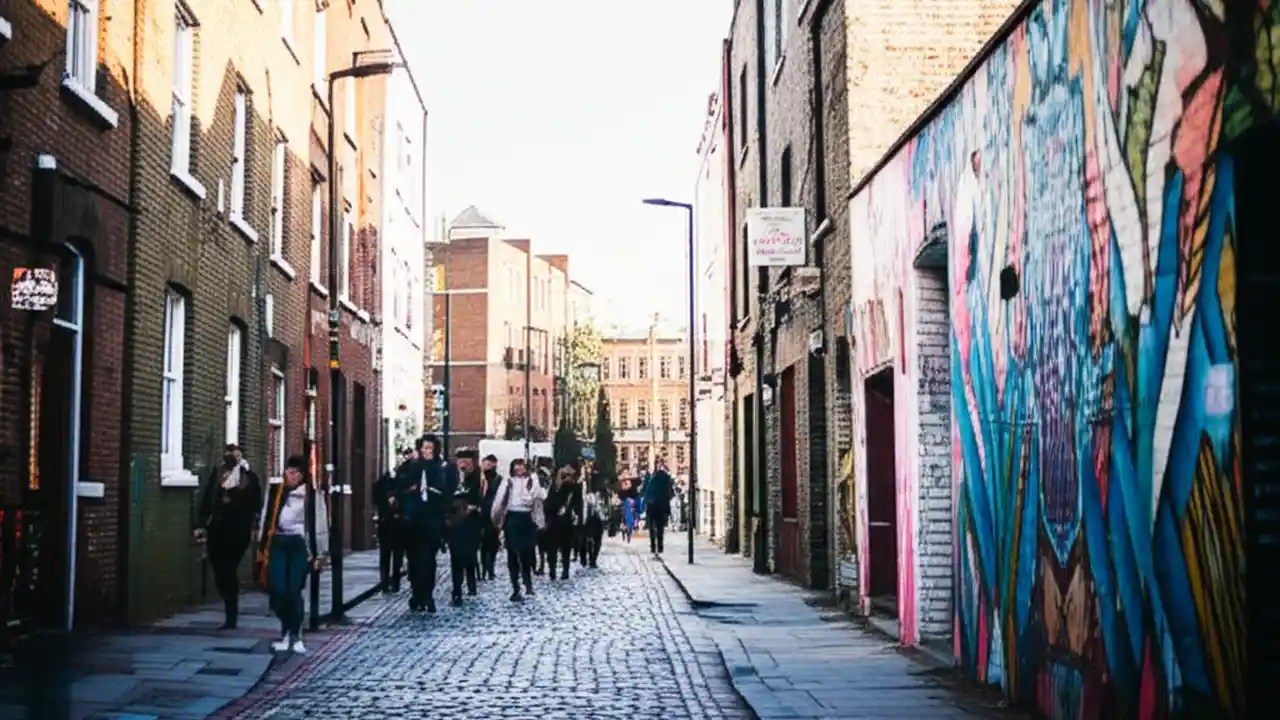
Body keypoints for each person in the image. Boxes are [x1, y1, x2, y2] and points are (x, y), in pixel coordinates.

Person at [257, 455, 328, 654]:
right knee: (278, 589)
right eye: (288, 471)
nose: (289, 475)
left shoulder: (312, 496)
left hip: (299, 546)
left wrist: (320, 553)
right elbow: (266, 517)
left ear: (302, 475)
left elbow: (320, 525)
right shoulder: (276, 493)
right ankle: (287, 629)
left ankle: (294, 635)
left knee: (294, 590)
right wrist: (261, 546)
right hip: (278, 543)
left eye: (294, 472)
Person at [195, 443, 262, 630]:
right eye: (227, 453)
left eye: (233, 453)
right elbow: (208, 499)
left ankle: (231, 616)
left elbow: (256, 503)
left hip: (238, 532)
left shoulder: (248, 478)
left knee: (229, 569)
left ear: (240, 455)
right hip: (217, 530)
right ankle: (227, 599)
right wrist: (200, 524)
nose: (229, 456)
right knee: (218, 569)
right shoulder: (217, 475)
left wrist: (254, 524)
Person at [398, 434, 457, 613]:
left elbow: (449, 490)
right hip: (413, 523)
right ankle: (416, 593)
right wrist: (410, 491)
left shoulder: (442, 468)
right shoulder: (411, 467)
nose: (427, 452)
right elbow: (399, 489)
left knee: (429, 560)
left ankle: (428, 595)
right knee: (414, 561)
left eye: (430, 448)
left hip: (432, 521)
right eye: (424, 448)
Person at [490, 458, 546, 602]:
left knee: (527, 552)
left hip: (527, 518)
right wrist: (496, 519)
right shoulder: (508, 482)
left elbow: (538, 496)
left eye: (522, 466)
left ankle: (528, 582)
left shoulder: (532, 480)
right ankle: (515, 586)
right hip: (512, 518)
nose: (519, 469)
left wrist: (533, 482)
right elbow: (499, 500)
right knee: (513, 553)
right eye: (517, 466)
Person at [446, 448, 484, 605]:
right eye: (461, 461)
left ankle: (471, 583)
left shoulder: (477, 479)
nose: (463, 465)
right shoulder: (451, 477)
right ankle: (456, 590)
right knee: (455, 557)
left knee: (469, 556)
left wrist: (475, 507)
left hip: (471, 524)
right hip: (455, 524)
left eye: (467, 462)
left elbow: (483, 499)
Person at [373, 447, 413, 594]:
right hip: (386, 522)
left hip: (399, 523)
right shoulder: (382, 481)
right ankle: (384, 582)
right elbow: (376, 498)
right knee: (385, 554)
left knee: (397, 555)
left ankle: (395, 583)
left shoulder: (404, 479)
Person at [541, 466, 580, 581]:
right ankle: (554, 570)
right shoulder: (555, 488)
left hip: (565, 522)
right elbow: (548, 505)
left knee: (565, 549)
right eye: (565, 476)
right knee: (554, 549)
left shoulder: (573, 489)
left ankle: (564, 570)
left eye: (569, 476)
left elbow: (578, 505)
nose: (567, 478)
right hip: (555, 522)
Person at [644, 458, 676, 556]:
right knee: (659, 527)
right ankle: (659, 546)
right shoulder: (665, 477)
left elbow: (646, 491)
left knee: (653, 527)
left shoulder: (650, 477)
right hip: (659, 505)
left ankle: (654, 546)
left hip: (652, 505)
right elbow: (670, 492)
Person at [479, 454, 503, 581]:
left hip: (492, 515)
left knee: (491, 544)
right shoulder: (479, 479)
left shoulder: (498, 480)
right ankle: (483, 569)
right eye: (485, 464)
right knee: (483, 544)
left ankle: (490, 569)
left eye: (489, 465)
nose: (486, 467)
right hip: (480, 515)